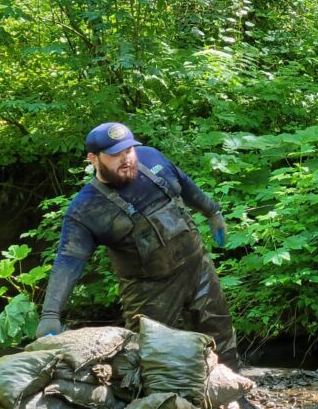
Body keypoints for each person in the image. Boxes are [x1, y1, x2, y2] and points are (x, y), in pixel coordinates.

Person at [38, 123, 237, 366]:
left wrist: (212, 211)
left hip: (198, 267)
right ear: (93, 159)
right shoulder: (86, 209)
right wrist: (50, 314)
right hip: (149, 291)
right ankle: (159, 404)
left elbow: (184, 185)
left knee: (220, 335)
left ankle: (235, 399)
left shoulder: (152, 158)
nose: (126, 159)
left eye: (129, 151)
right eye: (115, 155)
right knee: (150, 357)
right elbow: (68, 261)